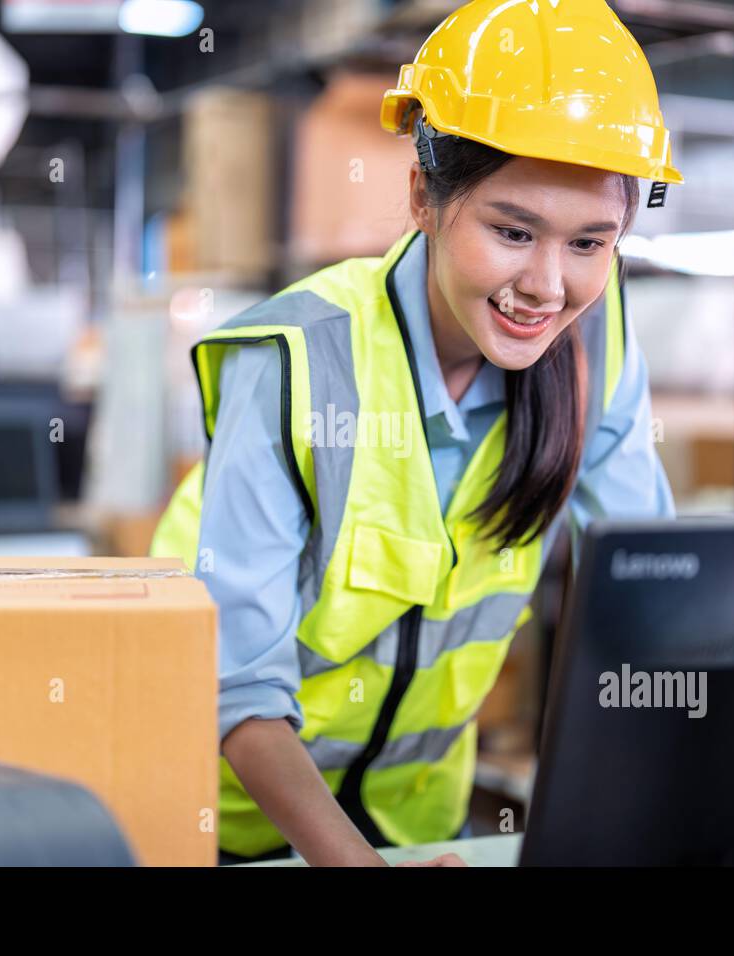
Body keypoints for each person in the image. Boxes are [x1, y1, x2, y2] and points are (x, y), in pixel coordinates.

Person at [151, 0, 683, 866]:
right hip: (230, 823)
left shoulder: (597, 347)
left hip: (419, 833)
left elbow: (653, 597)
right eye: (512, 231)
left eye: (592, 242)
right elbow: (239, 686)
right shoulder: (294, 359)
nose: (547, 285)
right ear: (423, 198)